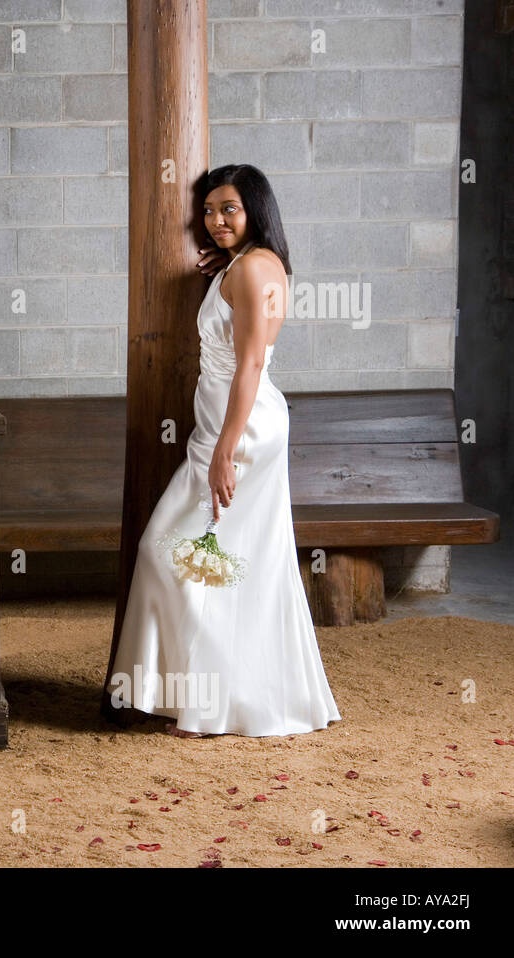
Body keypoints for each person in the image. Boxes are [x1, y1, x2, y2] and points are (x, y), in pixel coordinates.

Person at [106, 163, 341, 738]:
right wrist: (223, 272)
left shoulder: (257, 267)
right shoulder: (246, 267)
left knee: (174, 554)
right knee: (223, 566)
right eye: (208, 210)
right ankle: (213, 700)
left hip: (241, 433)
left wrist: (224, 450)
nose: (214, 220)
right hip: (224, 429)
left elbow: (252, 363)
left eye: (229, 209)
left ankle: (204, 705)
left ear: (256, 208)